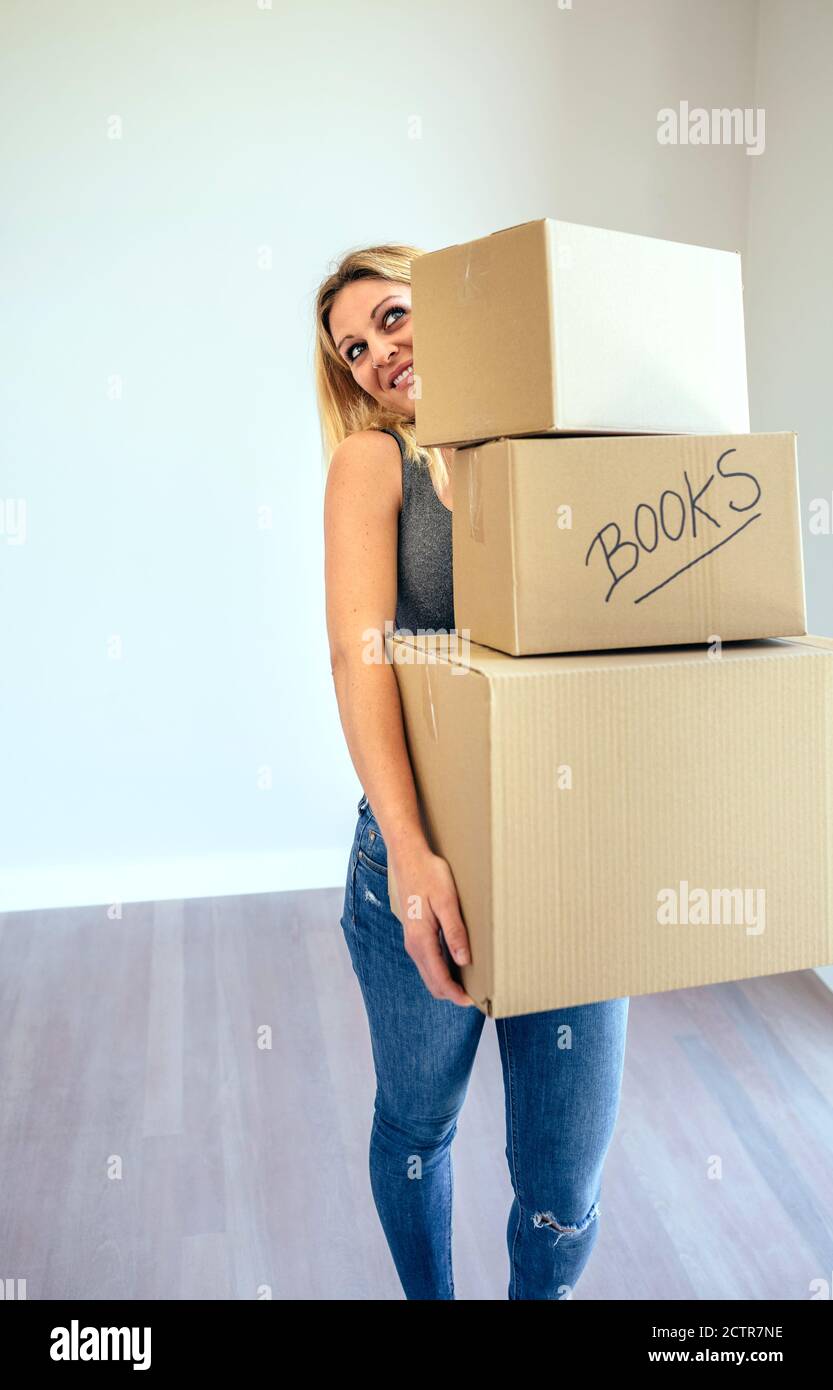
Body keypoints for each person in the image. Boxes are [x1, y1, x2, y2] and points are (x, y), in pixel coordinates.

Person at [316, 241, 629, 1300]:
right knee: (415, 1126)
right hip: (420, 857)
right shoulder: (374, 462)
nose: (374, 354)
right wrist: (408, 856)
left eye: (392, 318)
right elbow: (359, 662)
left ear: (445, 303)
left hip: (565, 861)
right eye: (353, 348)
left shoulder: (551, 438)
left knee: (563, 1185)